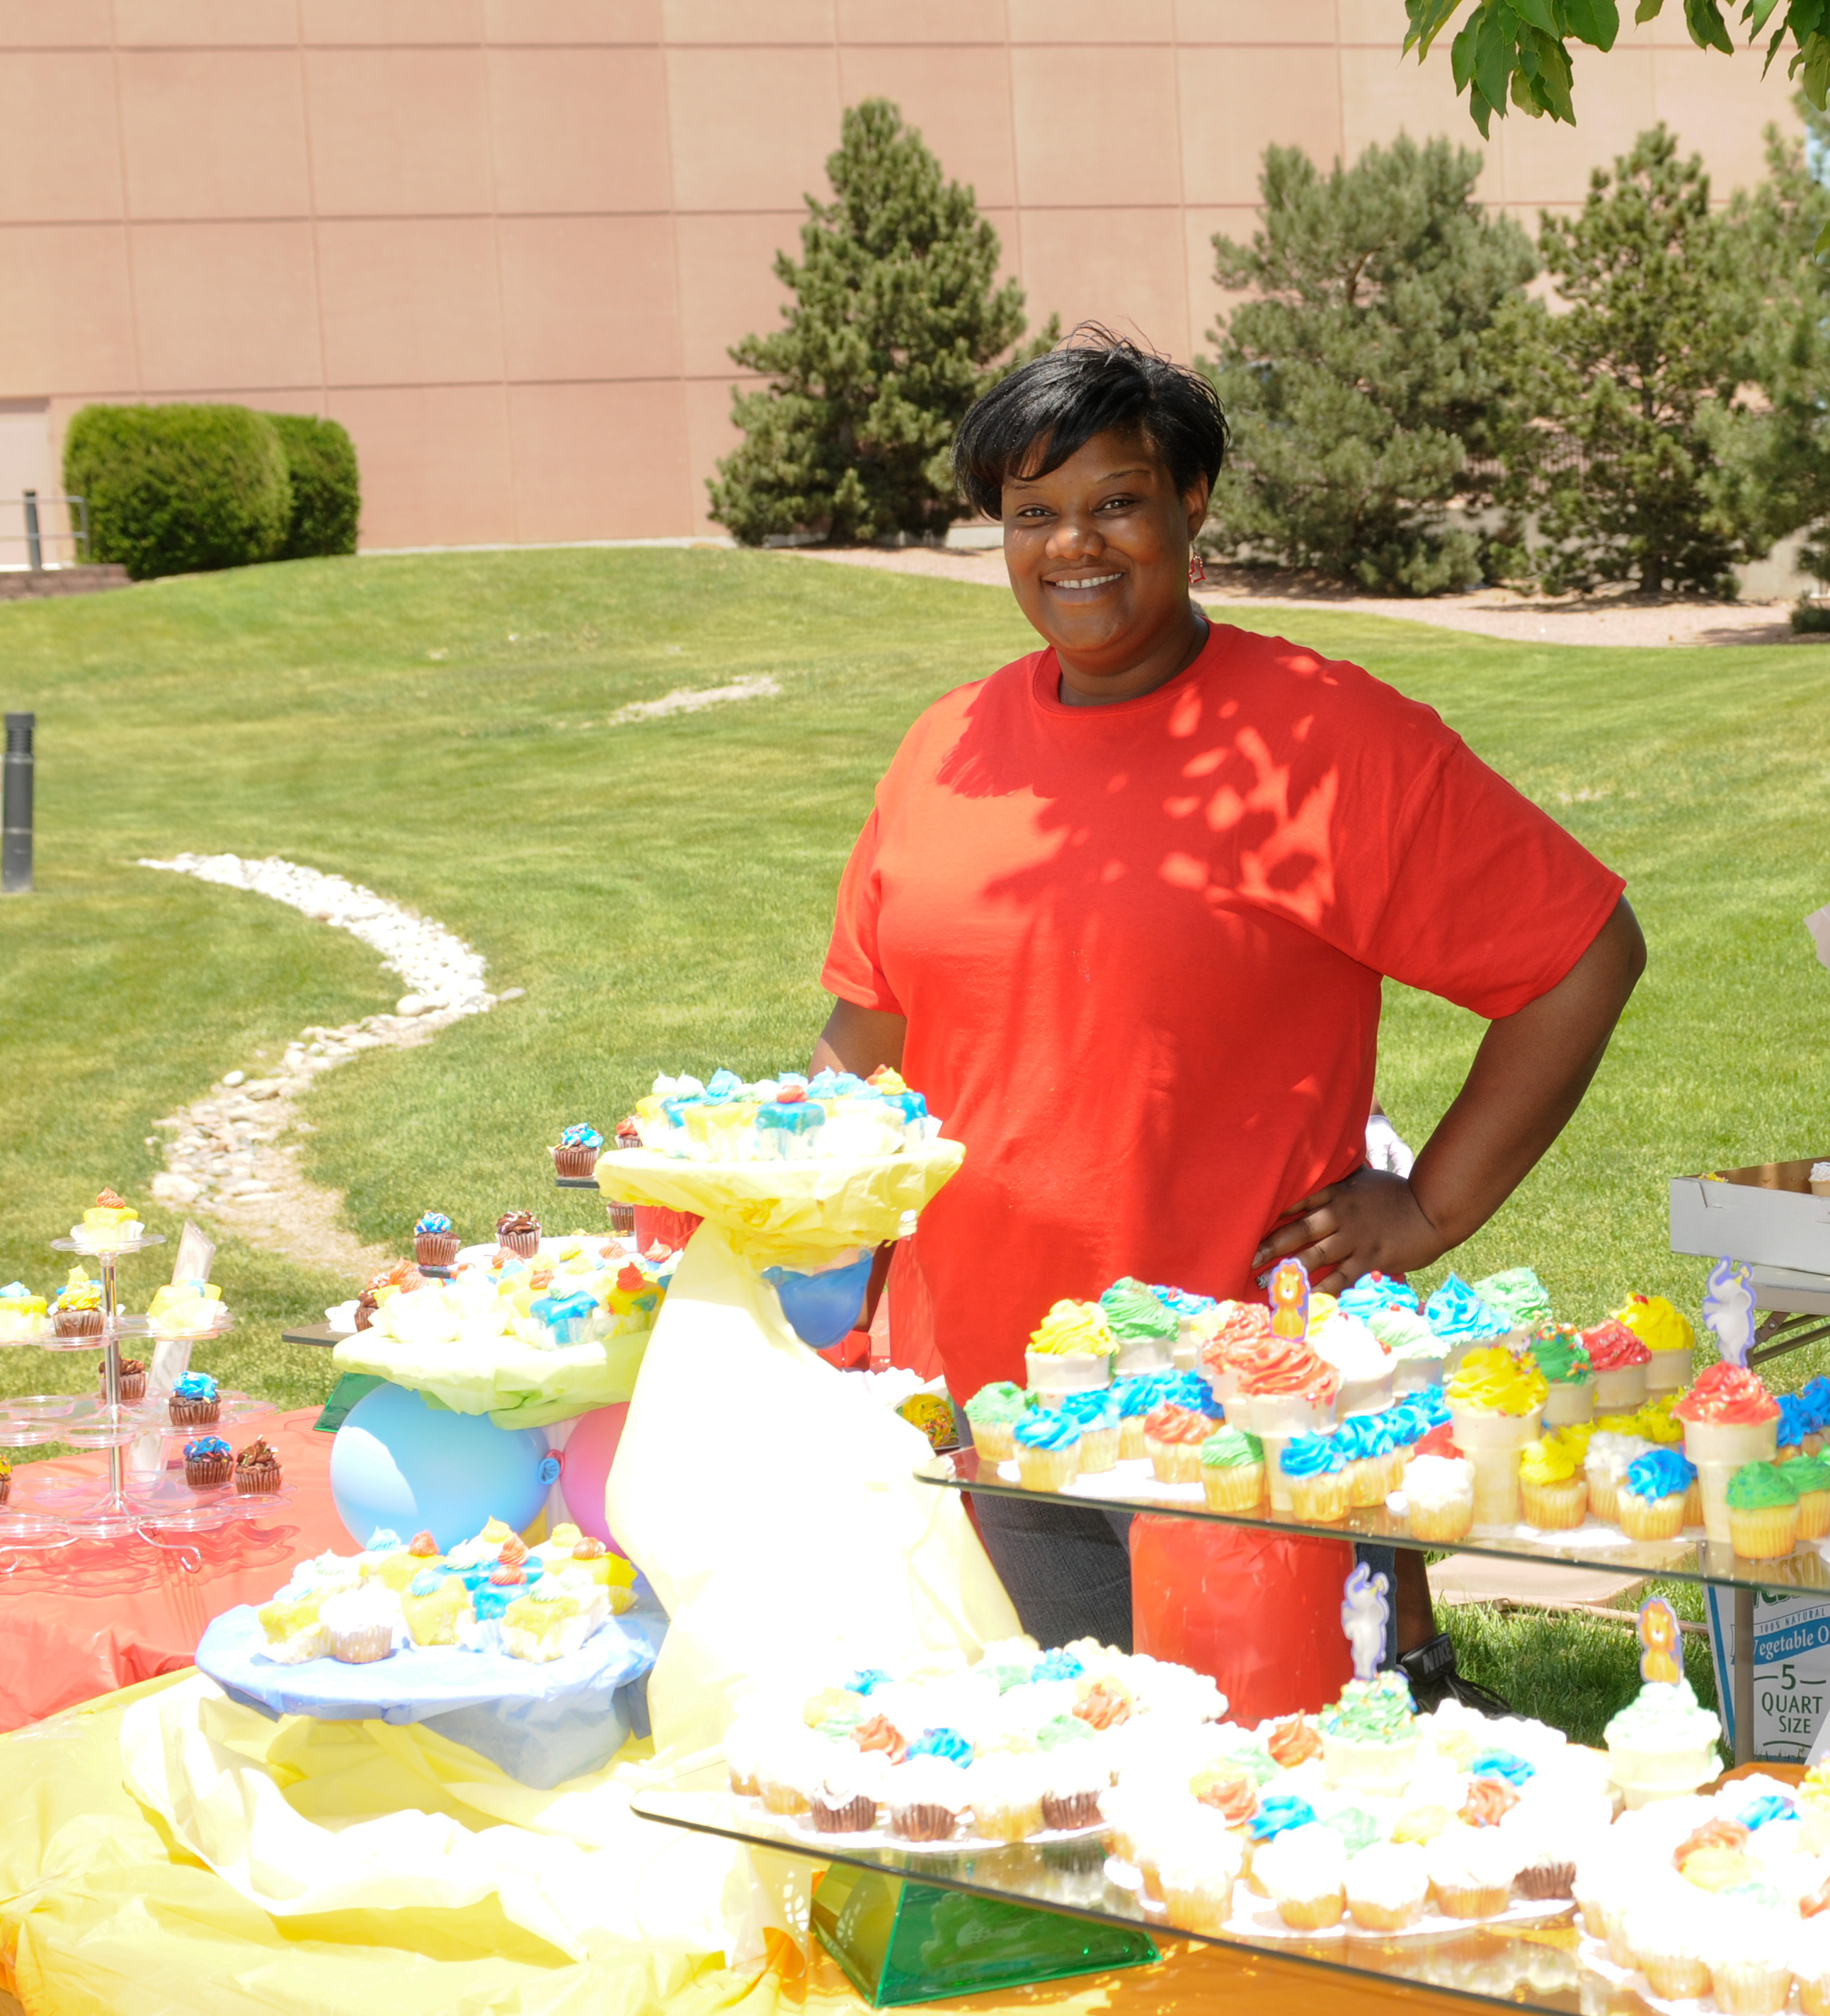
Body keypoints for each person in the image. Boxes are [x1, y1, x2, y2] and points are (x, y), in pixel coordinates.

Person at [811, 331, 1644, 1683]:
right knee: (1026, 1817)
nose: (1071, 546)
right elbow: (869, 1035)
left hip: (1243, 1407)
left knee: (1270, 1818)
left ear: (1191, 505)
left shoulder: (1324, 741)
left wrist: (1428, 1206)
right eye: (1032, 513)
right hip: (977, 1399)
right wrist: (782, 1234)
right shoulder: (944, 746)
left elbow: (1580, 954)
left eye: (1115, 502)